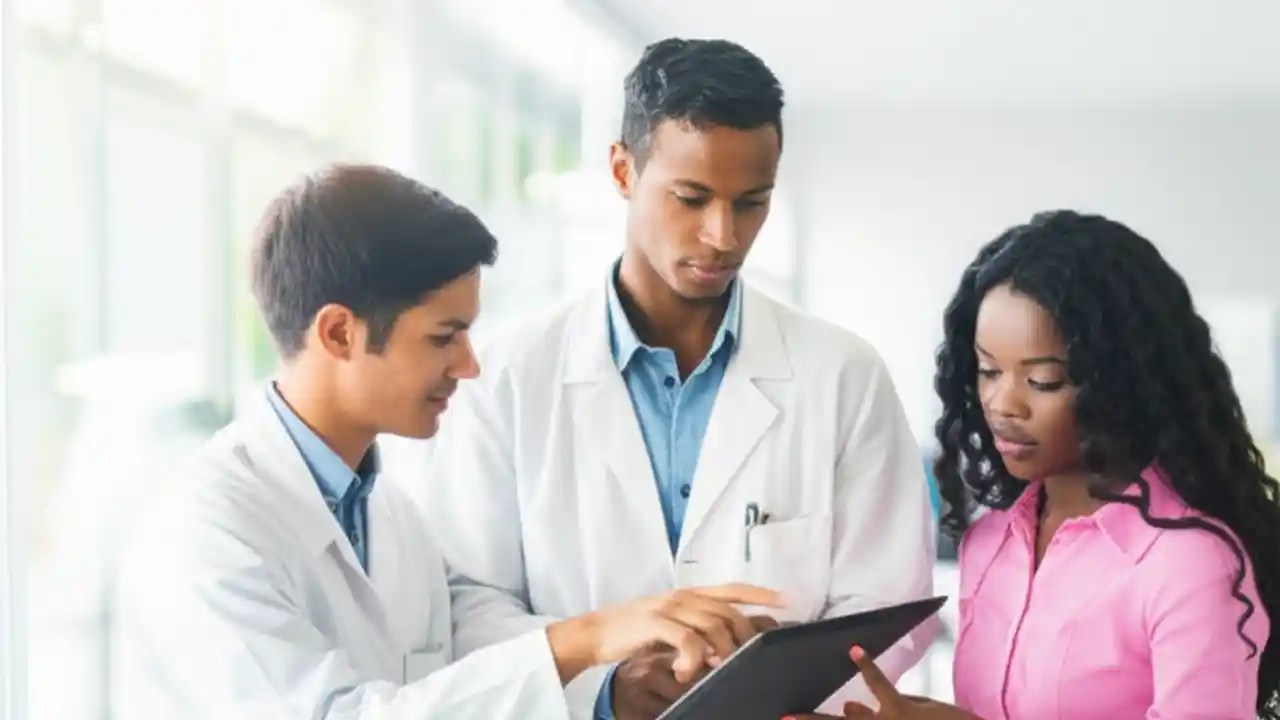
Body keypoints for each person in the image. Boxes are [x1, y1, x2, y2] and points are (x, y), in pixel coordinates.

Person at [110, 164, 784, 719]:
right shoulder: (205, 533)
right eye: (443, 336)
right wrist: (590, 636)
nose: (469, 365)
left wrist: (614, 687)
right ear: (340, 333)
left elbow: (462, 665)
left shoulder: (388, 509)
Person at [426, 38, 938, 719]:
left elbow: (890, 607)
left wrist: (773, 681)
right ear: (621, 170)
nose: (723, 236)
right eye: (691, 198)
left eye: (751, 202)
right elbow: (469, 603)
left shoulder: (843, 375)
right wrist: (604, 688)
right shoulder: (508, 376)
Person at [795, 210, 1280, 719]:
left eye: (1043, 381)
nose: (1004, 404)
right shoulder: (990, 543)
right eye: (987, 371)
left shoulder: (1187, 564)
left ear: (1121, 382)